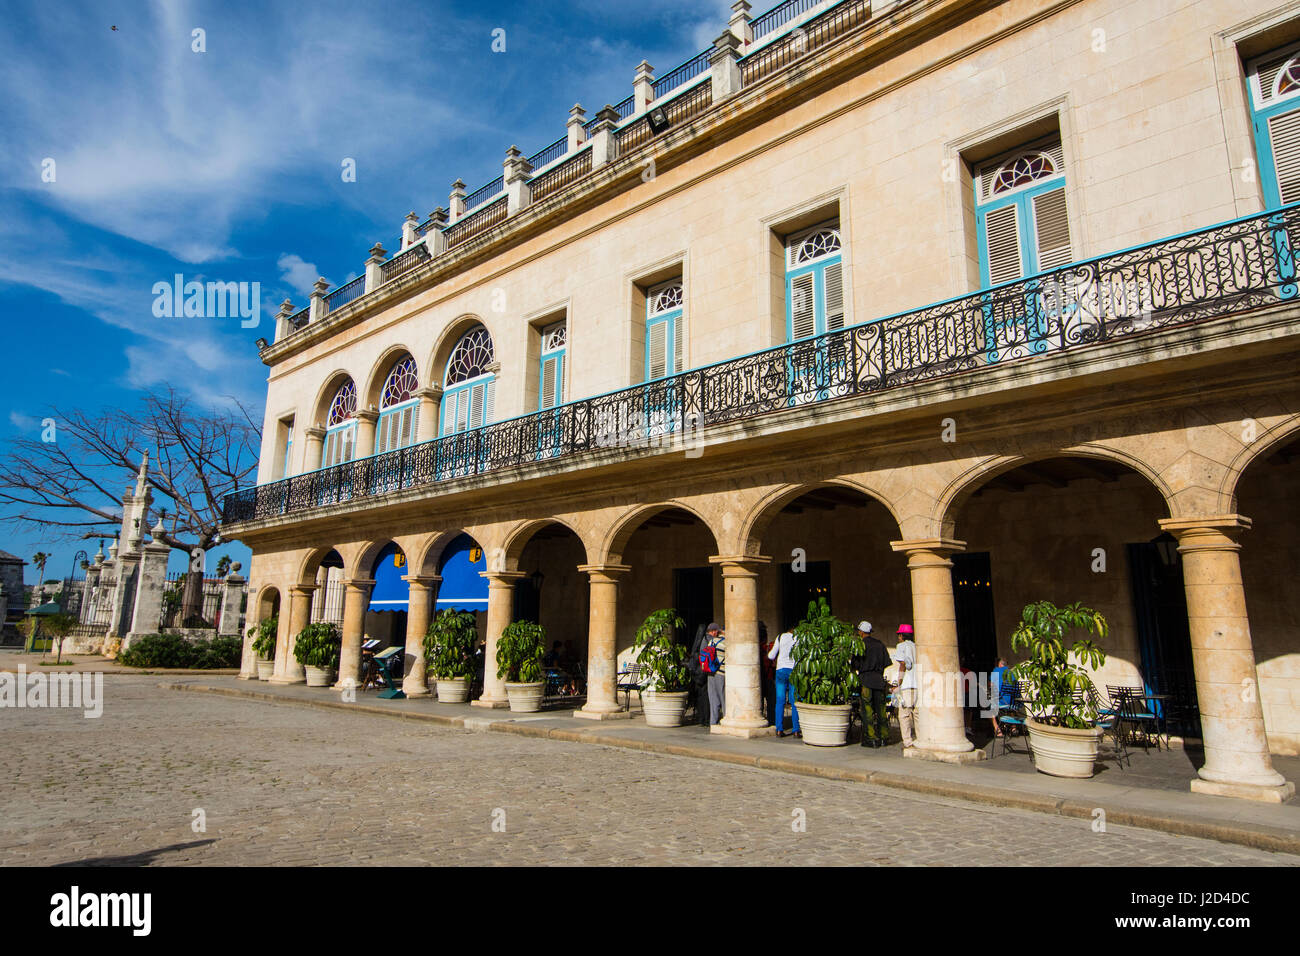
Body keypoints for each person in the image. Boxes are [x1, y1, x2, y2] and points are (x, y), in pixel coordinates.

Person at [853, 621, 890, 747]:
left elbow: (855, 665)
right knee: (881, 710)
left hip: (866, 680)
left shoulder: (860, 645)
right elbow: (886, 662)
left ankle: (871, 737)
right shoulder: (879, 644)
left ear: (861, 632)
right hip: (878, 679)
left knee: (867, 710)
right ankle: (884, 737)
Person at [767, 628, 800, 737]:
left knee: (780, 700)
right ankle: (796, 730)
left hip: (781, 670)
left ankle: (779, 729)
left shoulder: (780, 637)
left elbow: (771, 655)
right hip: (793, 670)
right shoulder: (799, 638)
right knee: (794, 700)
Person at [894, 624, 918, 749]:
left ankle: (908, 741)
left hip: (907, 684)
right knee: (917, 714)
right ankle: (920, 739)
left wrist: (899, 681)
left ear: (901, 636)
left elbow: (902, 664)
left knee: (904, 715)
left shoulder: (901, 646)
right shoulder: (916, 646)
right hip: (918, 684)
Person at [702, 622, 726, 726]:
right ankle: (726, 719)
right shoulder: (726, 643)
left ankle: (713, 722)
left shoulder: (711, 642)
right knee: (723, 698)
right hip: (721, 673)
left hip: (710, 673)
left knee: (713, 698)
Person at [688, 622, 709, 725]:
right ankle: (705, 718)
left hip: (697, 672)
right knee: (705, 696)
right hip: (703, 672)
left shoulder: (697, 641)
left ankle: (702, 718)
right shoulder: (706, 640)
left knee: (700, 696)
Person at [989, 657, 1011, 737]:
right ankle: (1013, 727)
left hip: (1001, 701)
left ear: (1000, 665)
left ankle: (997, 729)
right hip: (1013, 702)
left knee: (987, 707)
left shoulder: (996, 671)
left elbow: (991, 685)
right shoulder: (1012, 673)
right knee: (1010, 707)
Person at [760, 621, 776, 727]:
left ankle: (762, 717)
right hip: (768, 677)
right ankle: (771, 721)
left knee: (760, 702)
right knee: (771, 702)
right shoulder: (768, 647)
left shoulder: (760, 649)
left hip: (760, 678)